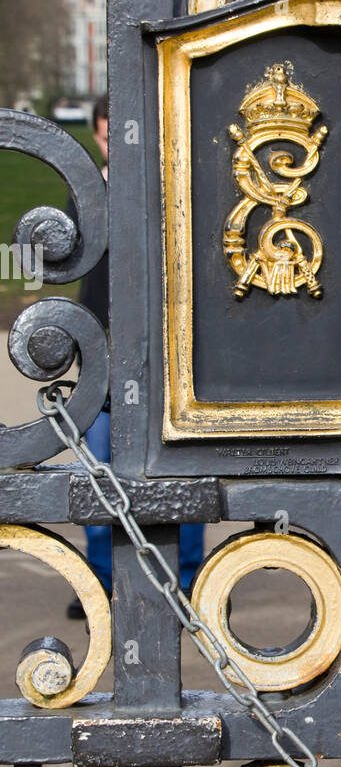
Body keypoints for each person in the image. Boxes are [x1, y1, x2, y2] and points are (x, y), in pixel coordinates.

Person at [66, 97, 204, 617]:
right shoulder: (85, 190)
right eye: (103, 136)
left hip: (164, 345)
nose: (110, 145)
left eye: (115, 135)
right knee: (99, 471)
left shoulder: (164, 182)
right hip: (100, 346)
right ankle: (102, 583)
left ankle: (187, 580)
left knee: (180, 466)